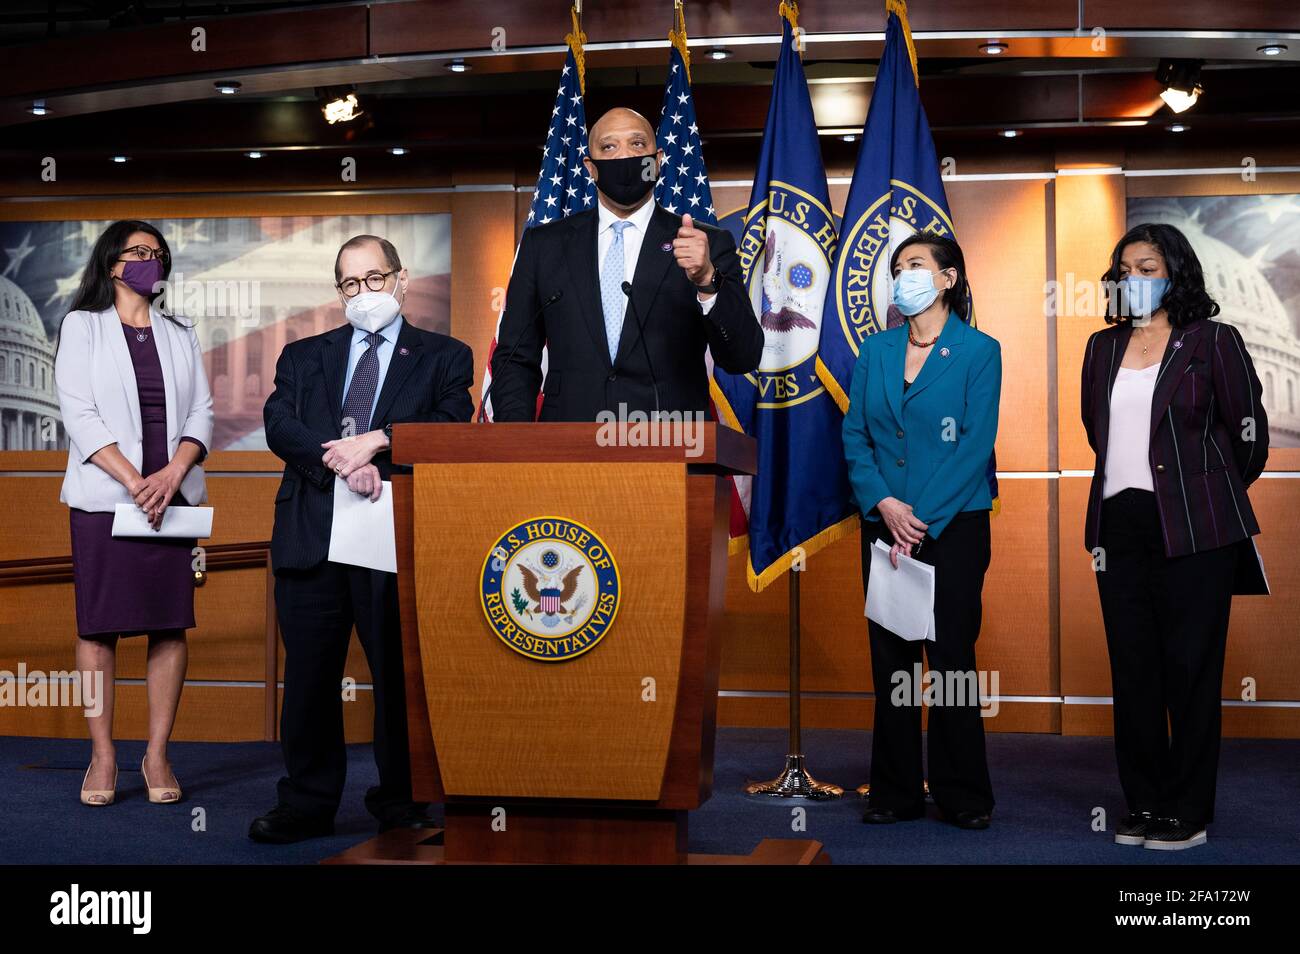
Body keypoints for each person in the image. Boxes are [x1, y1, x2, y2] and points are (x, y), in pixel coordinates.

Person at [249, 234, 474, 843]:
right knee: (311, 678)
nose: (364, 293)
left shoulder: (446, 356)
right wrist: (342, 461)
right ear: (339, 292)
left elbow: (451, 426)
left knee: (399, 676)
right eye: (350, 284)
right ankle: (306, 803)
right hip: (313, 530)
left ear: (401, 280)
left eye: (375, 279)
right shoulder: (303, 355)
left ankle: (403, 800)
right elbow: (281, 424)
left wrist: (380, 441)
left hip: (392, 537)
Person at [1081, 222, 1268, 851]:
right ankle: (1145, 805)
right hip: (1119, 527)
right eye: (1125, 269)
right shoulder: (1100, 348)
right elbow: (1096, 432)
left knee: (1190, 672)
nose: (1133, 278)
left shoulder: (1212, 341)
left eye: (1147, 267)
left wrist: (1206, 495)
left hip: (1196, 530)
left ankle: (1186, 812)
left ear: (1175, 272)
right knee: (1134, 673)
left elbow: (1248, 436)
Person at [842, 233, 1001, 830]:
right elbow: (855, 435)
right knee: (893, 661)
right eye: (897, 267)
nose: (903, 274)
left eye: (915, 265)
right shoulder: (875, 352)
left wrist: (918, 520)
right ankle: (895, 791)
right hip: (884, 523)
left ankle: (964, 794)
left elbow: (974, 446)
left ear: (947, 279)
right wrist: (885, 504)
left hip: (953, 527)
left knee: (953, 660)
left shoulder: (980, 351)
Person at [54, 219, 213, 807]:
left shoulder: (180, 331)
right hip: (106, 502)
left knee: (170, 623)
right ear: (112, 264)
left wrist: (171, 476)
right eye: (138, 252)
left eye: (157, 253)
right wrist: (135, 481)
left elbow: (202, 411)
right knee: (98, 627)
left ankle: (156, 753)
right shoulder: (83, 326)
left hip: (172, 502)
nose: (150, 260)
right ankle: (102, 756)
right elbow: (80, 414)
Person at [487, 106, 763, 421]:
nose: (623, 156)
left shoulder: (707, 244)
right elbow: (514, 357)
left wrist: (707, 281)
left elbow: (743, 356)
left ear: (657, 161)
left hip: (670, 444)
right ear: (590, 167)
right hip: (567, 448)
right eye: (609, 147)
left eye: (636, 144)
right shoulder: (544, 245)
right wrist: (516, 445)